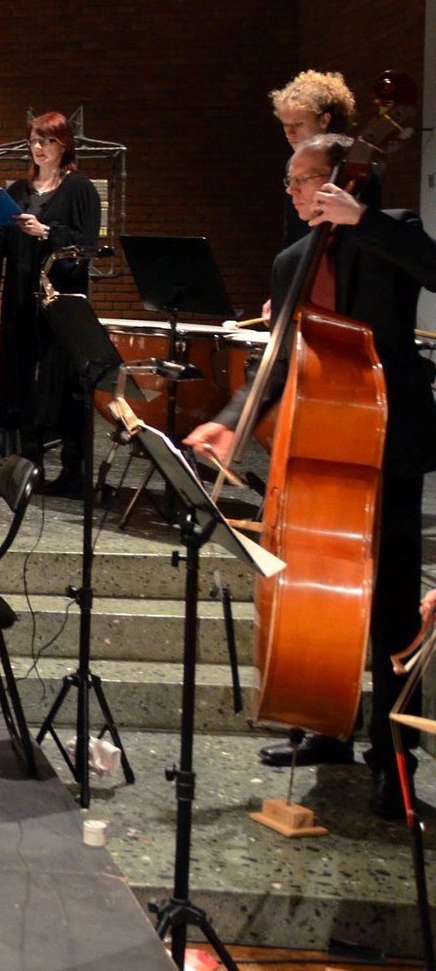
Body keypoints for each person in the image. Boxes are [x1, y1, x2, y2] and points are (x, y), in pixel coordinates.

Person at [185, 133, 436, 818]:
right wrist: (233, 418)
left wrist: (366, 221)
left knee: (388, 610)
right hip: (323, 447)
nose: (294, 192)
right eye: (290, 183)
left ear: (344, 182)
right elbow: (279, 355)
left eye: (306, 180)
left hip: (390, 440)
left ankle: (394, 762)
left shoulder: (392, 235)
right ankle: (327, 726)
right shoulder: (292, 259)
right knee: (327, 598)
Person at [0, 111, 100, 493]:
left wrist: (47, 232)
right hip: (22, 299)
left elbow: (87, 245)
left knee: (64, 382)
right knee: (22, 380)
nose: (39, 148)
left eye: (47, 141)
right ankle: (31, 463)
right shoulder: (16, 192)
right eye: (34, 141)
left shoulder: (79, 189)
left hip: (61, 303)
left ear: (64, 145)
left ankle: (73, 472)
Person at [268, 71, 359, 250]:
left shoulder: (355, 163)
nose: (289, 133)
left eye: (298, 124)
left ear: (324, 120)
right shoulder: (292, 165)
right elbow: (294, 232)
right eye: (285, 125)